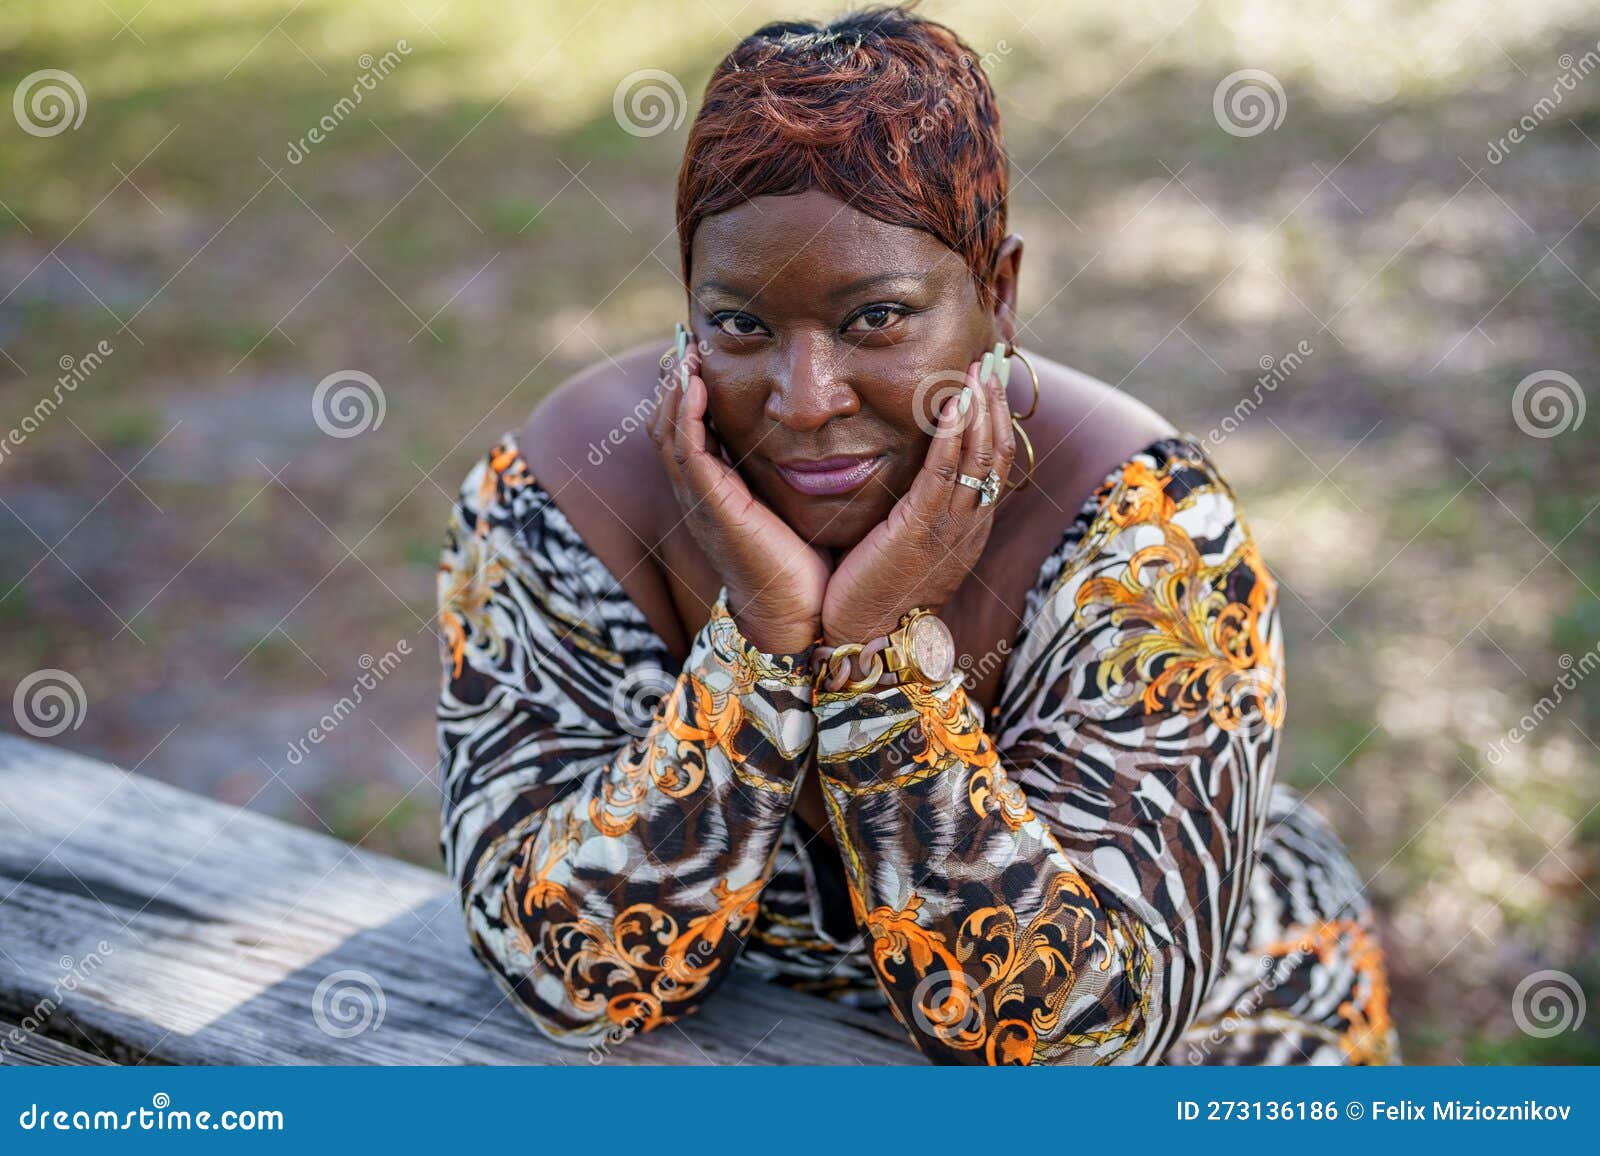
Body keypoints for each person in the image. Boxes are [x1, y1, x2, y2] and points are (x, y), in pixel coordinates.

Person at [435, 5, 1397, 1065]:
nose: (804, 399)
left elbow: (1085, 1044)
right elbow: (568, 978)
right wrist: (755, 644)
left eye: (876, 318)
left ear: (999, 294)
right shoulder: (562, 494)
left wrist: (877, 656)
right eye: (741, 324)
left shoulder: (1148, 530)